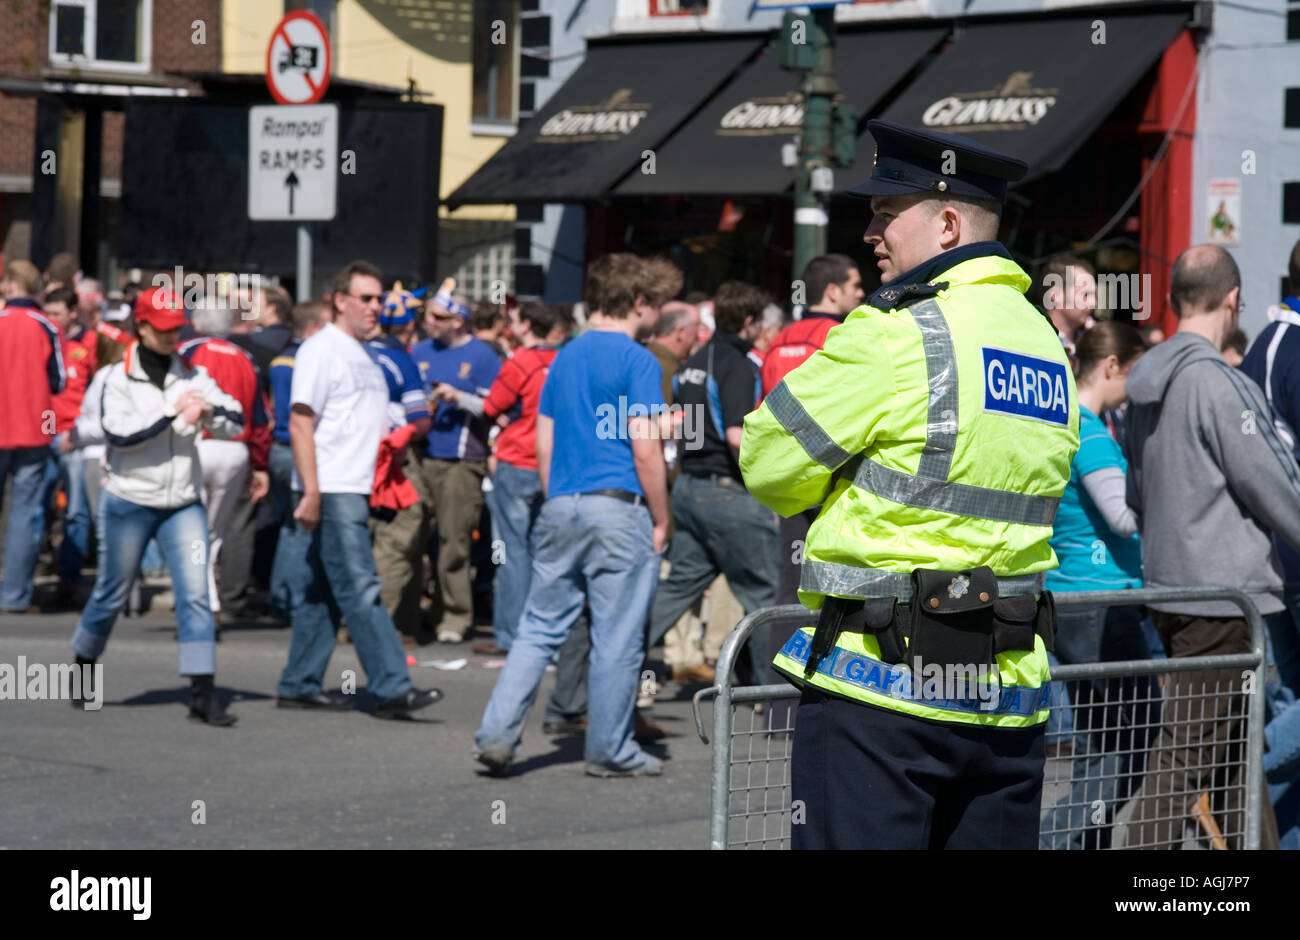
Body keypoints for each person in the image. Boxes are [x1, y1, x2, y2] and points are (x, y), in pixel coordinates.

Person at [741, 120, 1078, 849]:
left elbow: (767, 463)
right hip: (1007, 693)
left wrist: (834, 479)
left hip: (881, 692)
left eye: (886, 212)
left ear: (948, 223)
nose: (869, 230)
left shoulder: (898, 329)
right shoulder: (1043, 342)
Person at [474, 252, 680, 778]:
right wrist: (661, 517)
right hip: (618, 507)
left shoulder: (563, 356)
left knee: (538, 628)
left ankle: (497, 734)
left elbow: (543, 443)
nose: (659, 314)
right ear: (639, 302)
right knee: (617, 636)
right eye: (656, 303)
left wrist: (560, 497)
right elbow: (645, 445)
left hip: (562, 502)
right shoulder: (639, 360)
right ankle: (610, 750)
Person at [1123, 243, 1288, 849]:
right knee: (1183, 765)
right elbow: (1278, 486)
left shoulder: (1146, 387)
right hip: (1224, 603)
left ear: (1172, 301)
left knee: (1233, 766)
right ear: (1234, 300)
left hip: (1171, 592)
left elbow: (1137, 495)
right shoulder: (1221, 385)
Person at [69, 287, 244, 725]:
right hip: (129, 498)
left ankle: (203, 693)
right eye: (162, 329)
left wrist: (208, 413)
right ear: (141, 327)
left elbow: (236, 417)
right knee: (111, 593)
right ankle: (84, 664)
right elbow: (119, 434)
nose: (170, 337)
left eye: (175, 329)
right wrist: (173, 412)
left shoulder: (192, 373)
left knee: (197, 595)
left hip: (183, 502)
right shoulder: (115, 377)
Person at [275, 260, 441, 717]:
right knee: (361, 585)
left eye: (379, 299)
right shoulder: (320, 350)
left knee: (323, 590)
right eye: (365, 298)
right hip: (331, 485)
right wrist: (310, 491)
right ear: (339, 300)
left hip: (356, 483)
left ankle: (298, 682)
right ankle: (391, 685)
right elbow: (300, 421)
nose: (375, 307)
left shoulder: (364, 353)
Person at [1038, 321, 1157, 849]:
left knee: (1103, 741)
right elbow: (1123, 516)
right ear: (1111, 367)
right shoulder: (1088, 432)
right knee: (1136, 737)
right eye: (1133, 375)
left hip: (1077, 598)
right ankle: (1061, 838)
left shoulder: (1069, 425)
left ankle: (1080, 841)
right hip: (1101, 602)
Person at [645, 280, 779, 688]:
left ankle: (612, 659)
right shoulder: (737, 363)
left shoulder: (695, 359)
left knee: (676, 590)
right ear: (750, 322)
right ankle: (772, 697)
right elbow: (737, 436)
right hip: (726, 491)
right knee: (767, 594)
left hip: (689, 489)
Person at [409, 285, 502, 643]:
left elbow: (496, 406)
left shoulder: (483, 356)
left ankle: (455, 615)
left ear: (459, 321)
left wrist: (459, 397)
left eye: (439, 317)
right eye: (428, 315)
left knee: (454, 540)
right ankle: (415, 612)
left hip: (461, 458)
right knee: (414, 539)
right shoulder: (419, 350)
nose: (429, 322)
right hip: (419, 454)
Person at [476, 301, 564, 656]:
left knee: (511, 553)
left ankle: (511, 635)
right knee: (546, 553)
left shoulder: (520, 362)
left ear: (526, 324)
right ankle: (547, 635)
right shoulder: (563, 361)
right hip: (552, 464)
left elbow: (491, 406)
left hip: (516, 462)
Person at [179, 303, 271, 623]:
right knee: (214, 533)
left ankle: (202, 602)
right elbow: (260, 417)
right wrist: (260, 463)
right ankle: (209, 599)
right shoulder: (244, 358)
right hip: (236, 450)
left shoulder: (187, 350)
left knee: (193, 530)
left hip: (200, 443)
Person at [365, 288, 434, 644]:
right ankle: (379, 626)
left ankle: (354, 620)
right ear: (410, 327)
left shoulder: (351, 352)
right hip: (392, 462)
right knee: (400, 535)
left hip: (347, 462)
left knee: (361, 539)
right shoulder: (401, 360)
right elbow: (419, 421)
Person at [0, 260, 64, 613]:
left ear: (10, 286)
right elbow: (59, 381)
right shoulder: (46, 327)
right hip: (35, 427)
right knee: (25, 513)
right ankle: (14, 595)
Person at [266, 300, 330, 618]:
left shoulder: (281, 358)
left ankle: (280, 595)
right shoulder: (306, 360)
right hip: (296, 449)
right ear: (314, 328)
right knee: (302, 529)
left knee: (289, 528)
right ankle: (293, 602)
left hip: (279, 446)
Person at [1039, 253, 1097, 359]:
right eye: (1085, 295)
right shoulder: (1037, 338)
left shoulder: (1093, 342)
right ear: (1055, 295)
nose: (1093, 303)